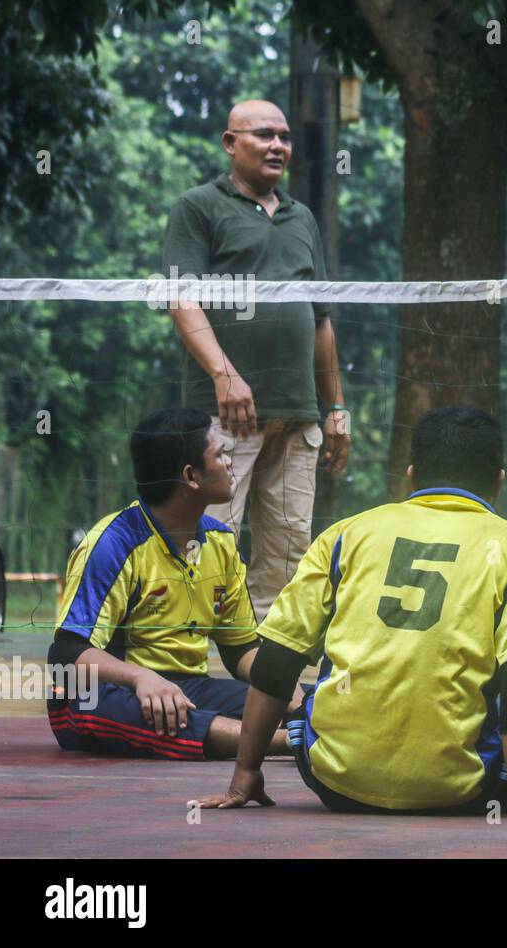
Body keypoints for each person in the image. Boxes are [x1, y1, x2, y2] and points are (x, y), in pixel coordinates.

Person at [198, 407, 507, 819]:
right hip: (459, 791)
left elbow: (277, 659)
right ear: (499, 484)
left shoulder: (345, 534)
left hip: (333, 781)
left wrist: (246, 773)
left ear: (412, 475)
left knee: (315, 709)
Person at [162, 99, 349, 622]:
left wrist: (335, 407)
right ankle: (189, 667)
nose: (278, 146)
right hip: (226, 417)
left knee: (289, 554)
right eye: (264, 135)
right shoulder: (198, 206)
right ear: (230, 143)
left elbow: (321, 320)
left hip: (298, 417)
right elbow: (182, 299)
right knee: (211, 543)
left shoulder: (301, 217)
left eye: (285, 137)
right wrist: (225, 376)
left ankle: (266, 680)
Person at [47, 408, 301, 760]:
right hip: (99, 692)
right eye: (221, 454)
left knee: (308, 698)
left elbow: (240, 649)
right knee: (148, 713)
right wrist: (140, 678)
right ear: (191, 476)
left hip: (190, 688)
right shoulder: (112, 544)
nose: (230, 463)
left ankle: (296, 728)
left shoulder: (221, 542)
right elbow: (65, 655)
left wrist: (281, 685)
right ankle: (290, 742)